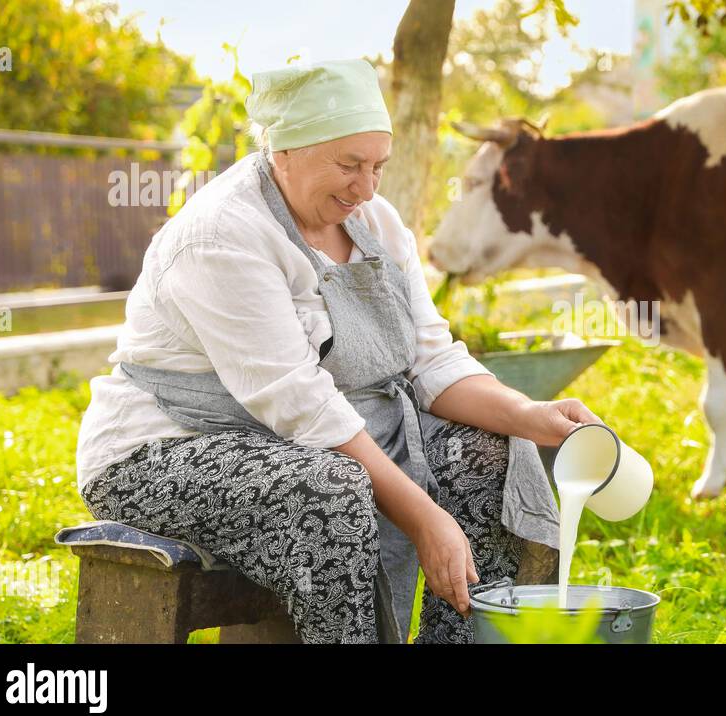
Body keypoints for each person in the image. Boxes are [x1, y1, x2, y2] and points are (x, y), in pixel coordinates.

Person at [75, 58, 600, 643]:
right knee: (332, 493)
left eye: (378, 165)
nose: (367, 186)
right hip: (165, 450)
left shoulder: (374, 220)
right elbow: (304, 406)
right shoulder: (223, 235)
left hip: (313, 440)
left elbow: (430, 359)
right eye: (349, 165)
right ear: (285, 151)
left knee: (492, 456)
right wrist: (425, 519)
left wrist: (532, 415)